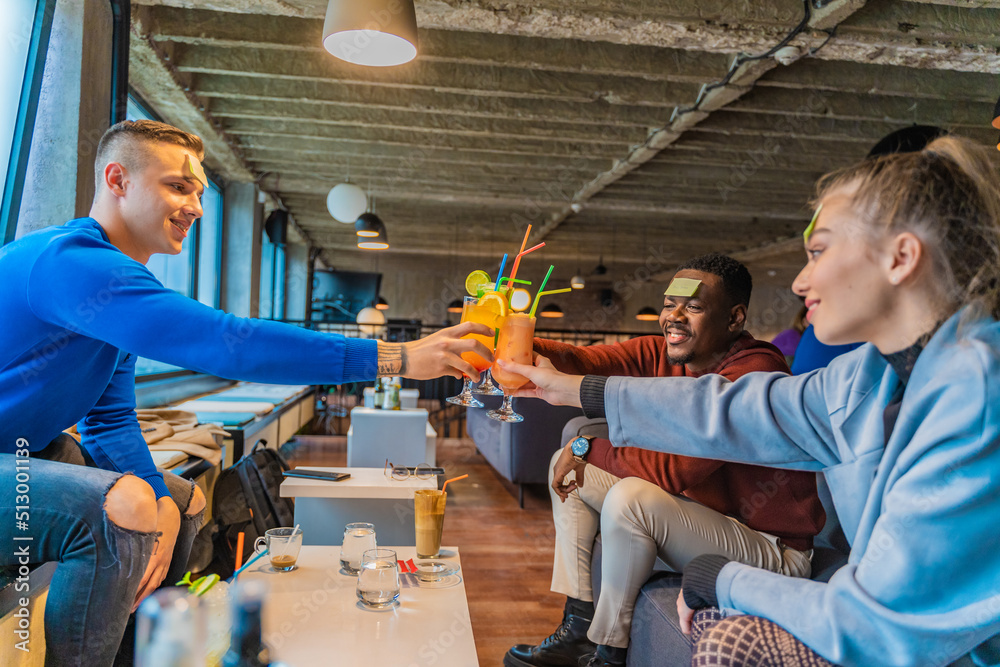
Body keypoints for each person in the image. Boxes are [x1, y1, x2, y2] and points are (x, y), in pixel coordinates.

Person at [0, 119, 493, 665]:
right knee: (127, 505)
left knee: (182, 498)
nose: (196, 207)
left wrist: (163, 498)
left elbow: (109, 420)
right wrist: (394, 358)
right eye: (178, 186)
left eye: (199, 193)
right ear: (118, 180)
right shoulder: (72, 263)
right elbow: (224, 342)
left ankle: (146, 651)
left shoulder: (113, 284)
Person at [501, 134, 1000, 666]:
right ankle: (586, 628)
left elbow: (876, 629)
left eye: (819, 251)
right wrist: (570, 388)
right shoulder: (869, 371)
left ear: (902, 257)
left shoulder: (976, 397)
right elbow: (736, 412)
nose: (799, 280)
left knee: (724, 637)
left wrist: (722, 577)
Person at [505, 254, 825, 667]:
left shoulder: (753, 373)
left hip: (772, 551)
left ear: (734, 318)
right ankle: (578, 628)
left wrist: (586, 448)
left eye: (692, 307)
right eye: (669, 304)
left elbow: (672, 469)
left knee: (630, 497)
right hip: (708, 520)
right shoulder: (668, 354)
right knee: (563, 466)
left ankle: (608, 653)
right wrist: (516, 347)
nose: (673, 317)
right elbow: (587, 361)